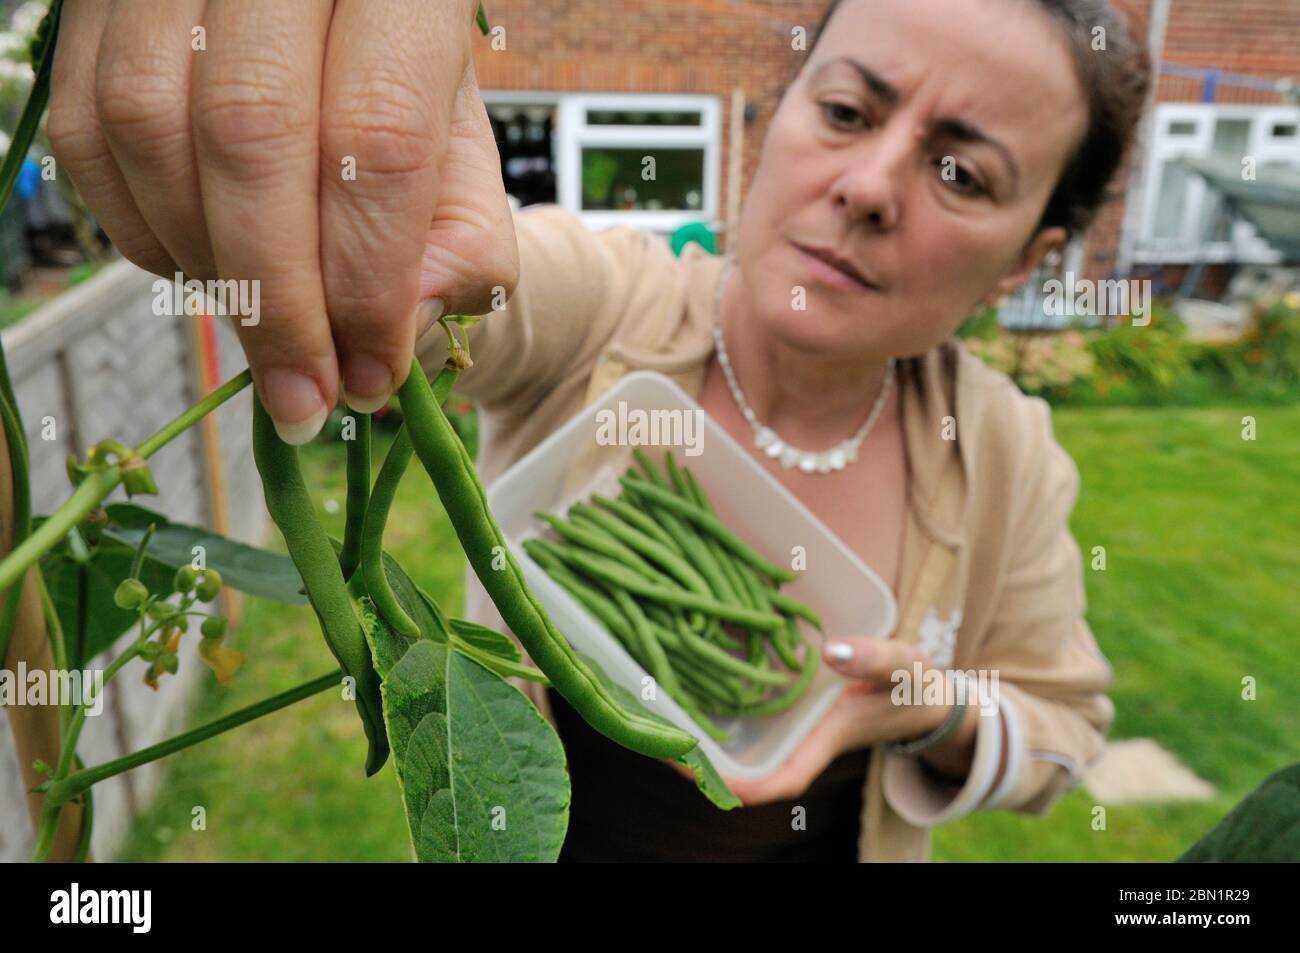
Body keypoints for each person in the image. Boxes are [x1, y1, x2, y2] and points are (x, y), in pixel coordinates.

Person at [51, 0, 1148, 861]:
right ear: (773, 118)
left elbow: (1061, 729)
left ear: (1024, 258)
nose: (867, 185)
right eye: (849, 112)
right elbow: (468, 287)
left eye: (960, 170)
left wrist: (915, 707)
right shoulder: (612, 307)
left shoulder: (1005, 454)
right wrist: (368, 174)